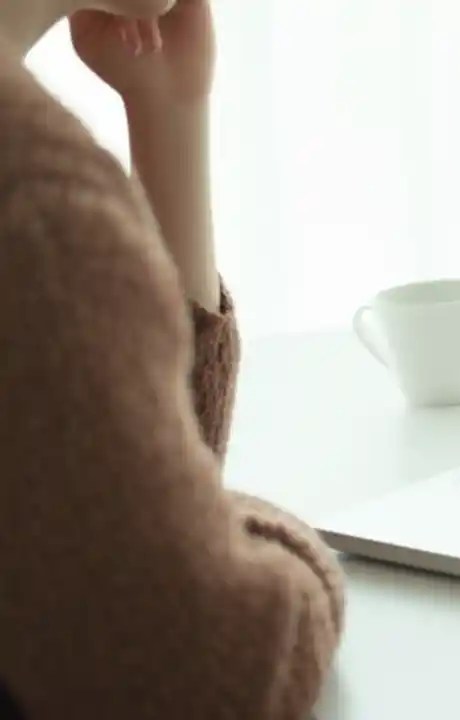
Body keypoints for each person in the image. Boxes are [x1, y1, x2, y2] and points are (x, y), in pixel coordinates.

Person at [0, 1, 344, 718]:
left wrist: (169, 109)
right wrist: (279, 544)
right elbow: (199, 674)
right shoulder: (34, 207)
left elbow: (136, 474)